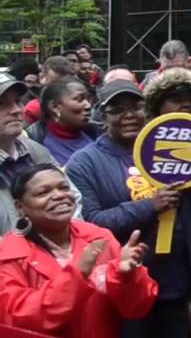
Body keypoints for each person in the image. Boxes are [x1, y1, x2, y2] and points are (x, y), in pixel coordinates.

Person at [64, 77, 191, 338]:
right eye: (117, 109)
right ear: (102, 116)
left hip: (174, 281)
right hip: (122, 284)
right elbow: (91, 223)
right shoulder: (84, 163)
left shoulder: (171, 145)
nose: (129, 115)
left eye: (135, 107)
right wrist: (150, 205)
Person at [0, 164, 157, 338]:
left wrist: (127, 277)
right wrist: (77, 275)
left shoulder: (98, 237)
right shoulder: (8, 255)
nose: (59, 196)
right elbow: (20, 320)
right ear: (20, 207)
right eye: (43, 193)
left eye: (63, 187)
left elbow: (136, 308)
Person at [0, 73, 59, 235]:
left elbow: (72, 205)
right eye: (2, 104)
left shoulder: (37, 151)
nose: (16, 110)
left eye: (18, 101)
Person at [27, 79, 99, 165]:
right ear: (54, 107)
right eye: (79, 99)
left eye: (88, 99)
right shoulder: (33, 143)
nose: (88, 105)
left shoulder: (99, 134)